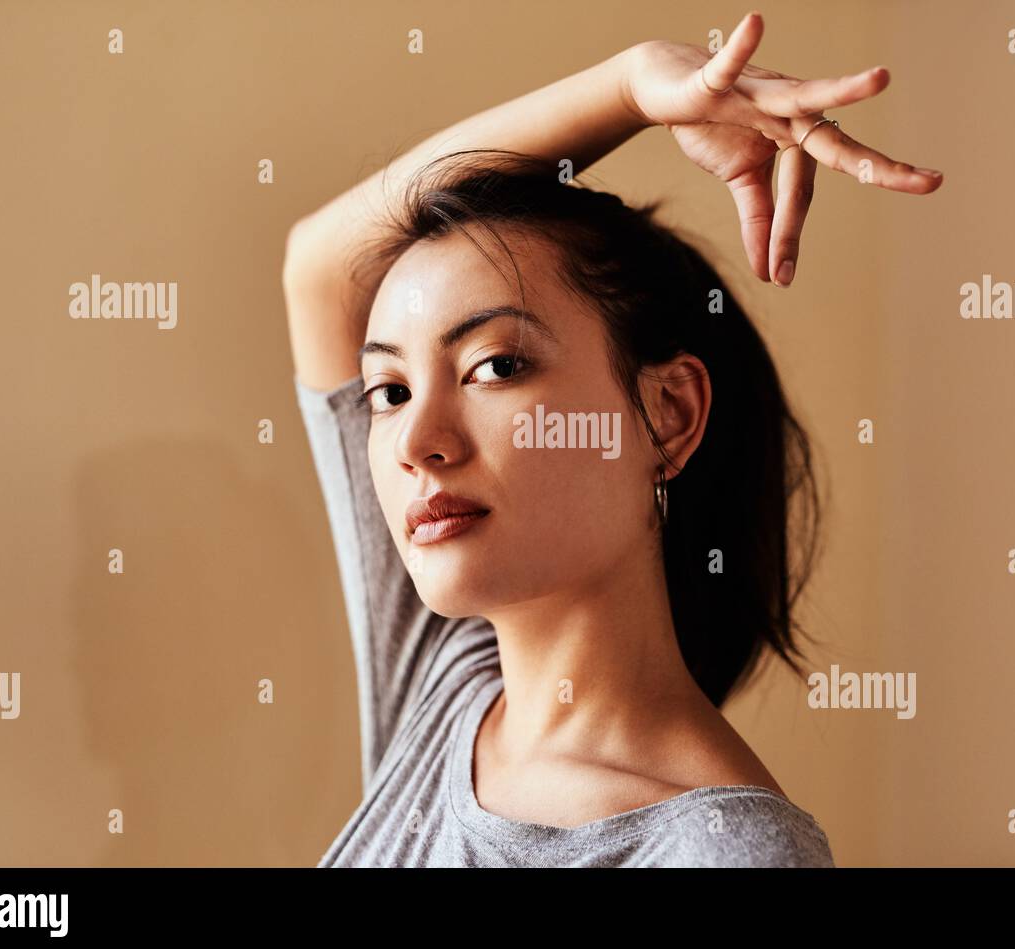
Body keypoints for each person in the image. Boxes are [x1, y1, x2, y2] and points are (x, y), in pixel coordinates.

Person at [283, 11, 943, 867]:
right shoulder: (444, 687)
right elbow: (323, 267)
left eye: (494, 365)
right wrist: (630, 87)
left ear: (667, 414)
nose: (417, 439)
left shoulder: (726, 854)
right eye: (390, 389)